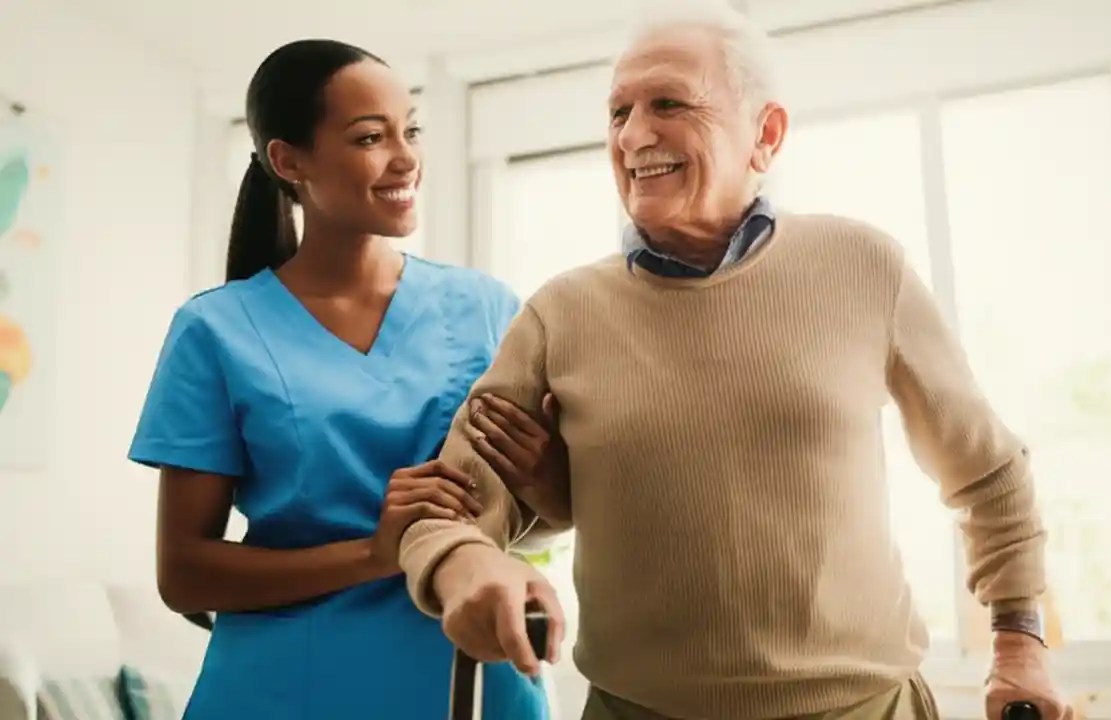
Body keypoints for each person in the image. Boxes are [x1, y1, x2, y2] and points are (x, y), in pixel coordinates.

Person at [400, 8, 1075, 720]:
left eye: (669, 103)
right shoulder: (558, 316)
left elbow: (989, 474)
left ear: (767, 134)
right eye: (618, 112)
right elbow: (443, 513)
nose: (632, 135)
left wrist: (1019, 645)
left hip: (868, 708)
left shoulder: (862, 267)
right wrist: (467, 564)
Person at [127, 39, 553, 720]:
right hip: (287, 689)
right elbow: (184, 575)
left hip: (467, 677)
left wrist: (542, 484)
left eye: (410, 130)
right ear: (288, 161)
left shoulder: (486, 308)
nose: (406, 156)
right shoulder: (216, 331)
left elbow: (524, 530)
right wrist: (375, 554)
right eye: (369, 137)